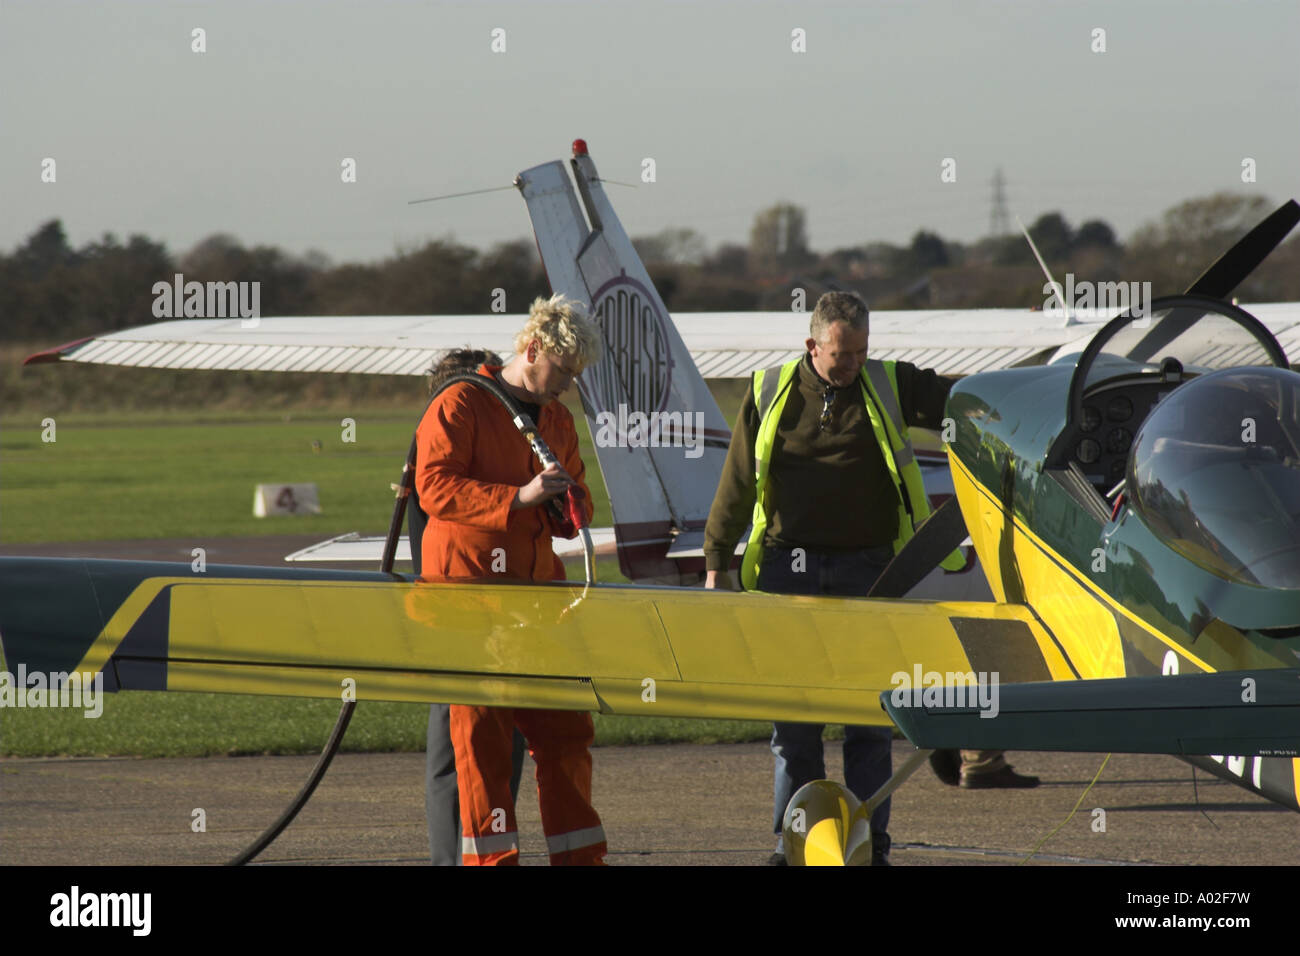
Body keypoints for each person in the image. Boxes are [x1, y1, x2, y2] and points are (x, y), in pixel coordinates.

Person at [702, 291, 1034, 867]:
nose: (853, 364)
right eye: (842, 354)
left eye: (862, 351)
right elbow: (737, 481)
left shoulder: (889, 383)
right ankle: (794, 845)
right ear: (812, 346)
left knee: (870, 723)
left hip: (872, 575)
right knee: (795, 730)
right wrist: (715, 561)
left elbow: (966, 404)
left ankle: (870, 845)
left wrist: (1028, 410)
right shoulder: (767, 391)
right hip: (789, 572)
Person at [414, 294, 607, 866]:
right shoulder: (461, 403)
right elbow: (436, 488)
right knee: (481, 747)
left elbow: (579, 505)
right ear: (533, 348)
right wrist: (519, 498)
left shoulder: (556, 420)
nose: (567, 386)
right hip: (467, 603)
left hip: (536, 604)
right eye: (563, 372)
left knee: (567, 732)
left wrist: (566, 505)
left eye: (575, 377)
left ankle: (579, 858)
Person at [413, 348, 528, 866]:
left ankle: (480, 852)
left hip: (469, 607)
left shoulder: (454, 441)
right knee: (465, 746)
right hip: (460, 608)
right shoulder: (445, 447)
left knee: (490, 744)